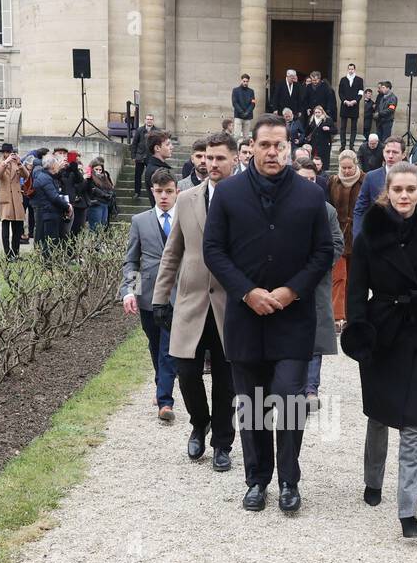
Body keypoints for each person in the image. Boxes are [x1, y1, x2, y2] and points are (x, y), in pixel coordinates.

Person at [202, 114, 333, 514]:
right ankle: (257, 480)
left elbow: (323, 253)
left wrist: (291, 290)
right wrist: (247, 292)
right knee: (253, 404)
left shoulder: (311, 197)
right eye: (265, 145)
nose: (273, 152)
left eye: (280, 145)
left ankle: (290, 481)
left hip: (293, 319)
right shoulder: (228, 194)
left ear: (289, 148)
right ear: (252, 147)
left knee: (290, 399)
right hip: (246, 318)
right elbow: (214, 251)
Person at [342, 161, 417, 538]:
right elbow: (356, 289)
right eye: (398, 190)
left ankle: (408, 509)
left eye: (412, 189)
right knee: (378, 416)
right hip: (380, 331)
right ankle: (372, 480)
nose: (405, 196)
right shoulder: (369, 235)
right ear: (387, 192)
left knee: (411, 421)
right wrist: (359, 330)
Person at [153, 135, 238, 471]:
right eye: (208, 158)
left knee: (226, 379)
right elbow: (173, 252)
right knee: (186, 372)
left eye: (220, 158)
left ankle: (222, 442)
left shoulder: (247, 199)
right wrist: (161, 297)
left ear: (233, 159)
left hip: (231, 304)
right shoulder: (186, 199)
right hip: (191, 302)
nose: (212, 164)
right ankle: (198, 422)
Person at [122, 169, 181, 425]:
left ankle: (165, 401)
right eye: (159, 192)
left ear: (176, 191)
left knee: (169, 348)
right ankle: (162, 384)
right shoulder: (140, 221)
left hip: (179, 294)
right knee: (155, 343)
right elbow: (131, 259)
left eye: (169, 191)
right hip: (148, 293)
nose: (164, 197)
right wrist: (128, 291)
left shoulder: (186, 218)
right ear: (152, 192)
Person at [293, 161, 344, 411]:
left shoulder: (327, 210)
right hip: (286, 284)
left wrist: (317, 266)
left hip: (316, 282)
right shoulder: (280, 206)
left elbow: (337, 243)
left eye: (311, 179)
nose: (307, 183)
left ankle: (311, 389)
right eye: (302, 179)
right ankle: (292, 386)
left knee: (315, 336)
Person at [353, 137, 417, 236]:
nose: (390, 156)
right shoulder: (371, 177)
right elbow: (360, 209)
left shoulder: (416, 175)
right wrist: (358, 236)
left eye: (395, 152)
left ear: (403, 154)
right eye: (387, 152)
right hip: (378, 236)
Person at [328, 150, 364, 330]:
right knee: (339, 276)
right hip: (337, 233)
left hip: (358, 234)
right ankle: (338, 316)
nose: (347, 171)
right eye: (344, 168)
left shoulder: (364, 180)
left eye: (350, 167)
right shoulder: (333, 181)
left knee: (353, 278)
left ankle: (351, 314)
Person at [30, 150, 72, 254]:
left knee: (50, 242)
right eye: (57, 163)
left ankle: (49, 266)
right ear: (53, 165)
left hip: (49, 213)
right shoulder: (45, 178)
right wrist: (67, 206)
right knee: (49, 244)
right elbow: (54, 197)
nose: (59, 166)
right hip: (48, 214)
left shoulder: (47, 176)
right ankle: (47, 267)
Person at [0, 143, 30, 257]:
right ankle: (7, 254)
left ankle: (15, 253)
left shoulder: (17, 163)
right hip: (6, 199)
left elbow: (26, 175)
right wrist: (6, 162)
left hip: (17, 199)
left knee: (17, 228)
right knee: (5, 227)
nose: (8, 154)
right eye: (6, 152)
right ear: (3, 153)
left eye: (10, 152)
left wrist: (19, 163)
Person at [337, 63, 364, 150]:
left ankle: (351, 145)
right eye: (349, 69)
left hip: (354, 106)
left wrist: (355, 101)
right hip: (344, 106)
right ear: (347, 69)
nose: (351, 70)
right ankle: (343, 145)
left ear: (354, 69)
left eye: (352, 69)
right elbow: (340, 92)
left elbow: (361, 92)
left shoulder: (359, 80)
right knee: (343, 127)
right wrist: (345, 101)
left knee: (354, 128)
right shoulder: (343, 79)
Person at [83, 157, 115, 229]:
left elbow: (109, 187)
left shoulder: (104, 177)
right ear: (92, 169)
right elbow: (92, 188)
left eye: (100, 170)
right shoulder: (90, 177)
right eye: (96, 169)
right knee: (95, 227)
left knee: (103, 226)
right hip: (95, 204)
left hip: (104, 203)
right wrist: (105, 194)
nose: (98, 171)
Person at [142, 131, 173, 206]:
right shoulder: (156, 171)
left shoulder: (156, 167)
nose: (172, 147)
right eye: (168, 144)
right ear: (157, 148)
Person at [132, 112, 157, 197]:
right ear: (145, 120)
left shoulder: (157, 131)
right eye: (148, 119)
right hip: (140, 156)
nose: (149, 121)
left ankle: (152, 192)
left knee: (151, 176)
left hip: (151, 157)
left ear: (153, 121)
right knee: (137, 175)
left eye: (151, 119)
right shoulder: (139, 130)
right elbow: (134, 143)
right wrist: (133, 156)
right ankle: (137, 192)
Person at [305, 105, 335, 171]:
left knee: (324, 160)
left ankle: (324, 172)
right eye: (316, 112)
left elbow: (335, 130)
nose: (317, 114)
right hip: (314, 143)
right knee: (314, 159)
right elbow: (307, 130)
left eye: (319, 112)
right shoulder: (311, 119)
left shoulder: (327, 119)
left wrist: (328, 129)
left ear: (322, 112)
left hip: (324, 143)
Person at [232, 73, 256, 139]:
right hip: (238, 116)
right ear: (241, 80)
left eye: (247, 81)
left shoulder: (251, 91)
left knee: (246, 137)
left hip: (247, 116)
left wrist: (247, 112)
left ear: (248, 81)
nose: (245, 83)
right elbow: (234, 103)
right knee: (236, 136)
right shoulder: (235, 90)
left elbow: (253, 103)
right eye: (244, 81)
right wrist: (242, 112)